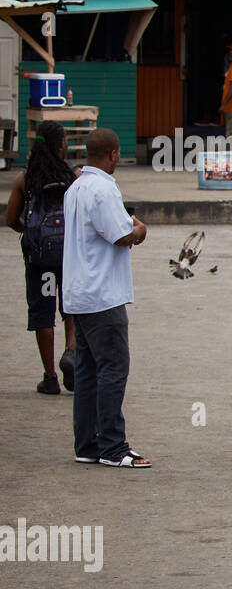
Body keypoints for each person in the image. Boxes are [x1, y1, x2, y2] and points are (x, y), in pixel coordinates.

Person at [62, 127, 150, 468]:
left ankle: (86, 445)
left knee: (87, 372)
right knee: (113, 368)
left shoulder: (76, 187)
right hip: (103, 296)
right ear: (113, 154)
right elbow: (122, 235)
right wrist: (140, 230)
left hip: (78, 295)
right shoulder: (103, 188)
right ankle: (114, 447)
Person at [7, 121, 78, 394]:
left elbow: (10, 218)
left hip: (40, 261)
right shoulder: (72, 176)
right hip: (68, 256)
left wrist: (31, 232)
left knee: (43, 313)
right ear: (60, 144)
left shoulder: (26, 178)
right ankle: (70, 352)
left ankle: (50, 377)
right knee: (69, 306)